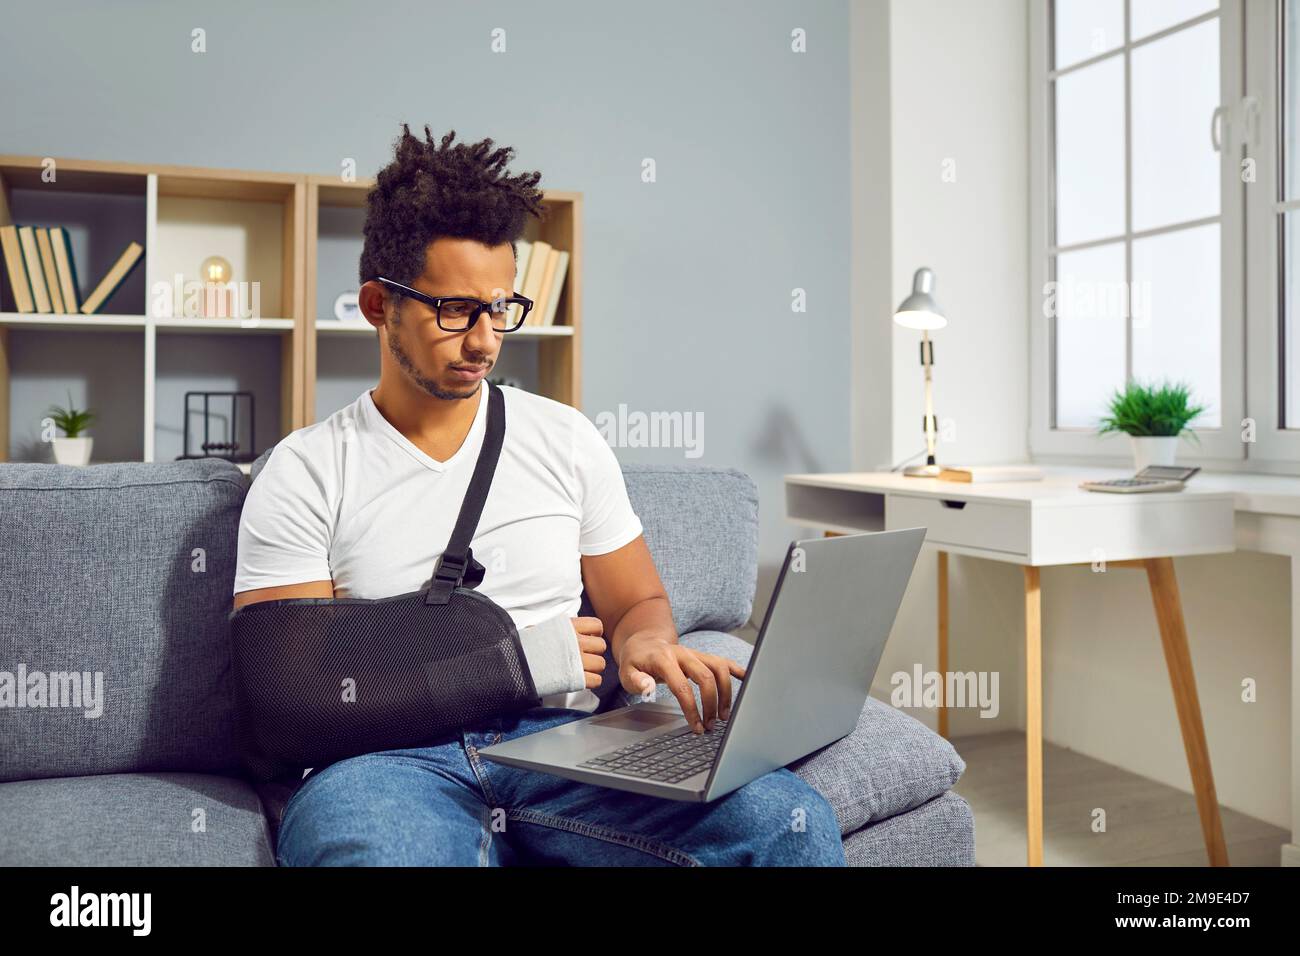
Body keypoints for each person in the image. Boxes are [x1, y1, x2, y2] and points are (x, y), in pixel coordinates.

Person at [232, 124, 844, 866]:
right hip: (386, 767)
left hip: (565, 748)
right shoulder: (306, 470)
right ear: (375, 304)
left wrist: (647, 642)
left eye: (501, 308)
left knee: (787, 823)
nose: (486, 340)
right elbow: (288, 701)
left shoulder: (566, 438)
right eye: (454, 310)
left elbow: (634, 604)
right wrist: (507, 666)